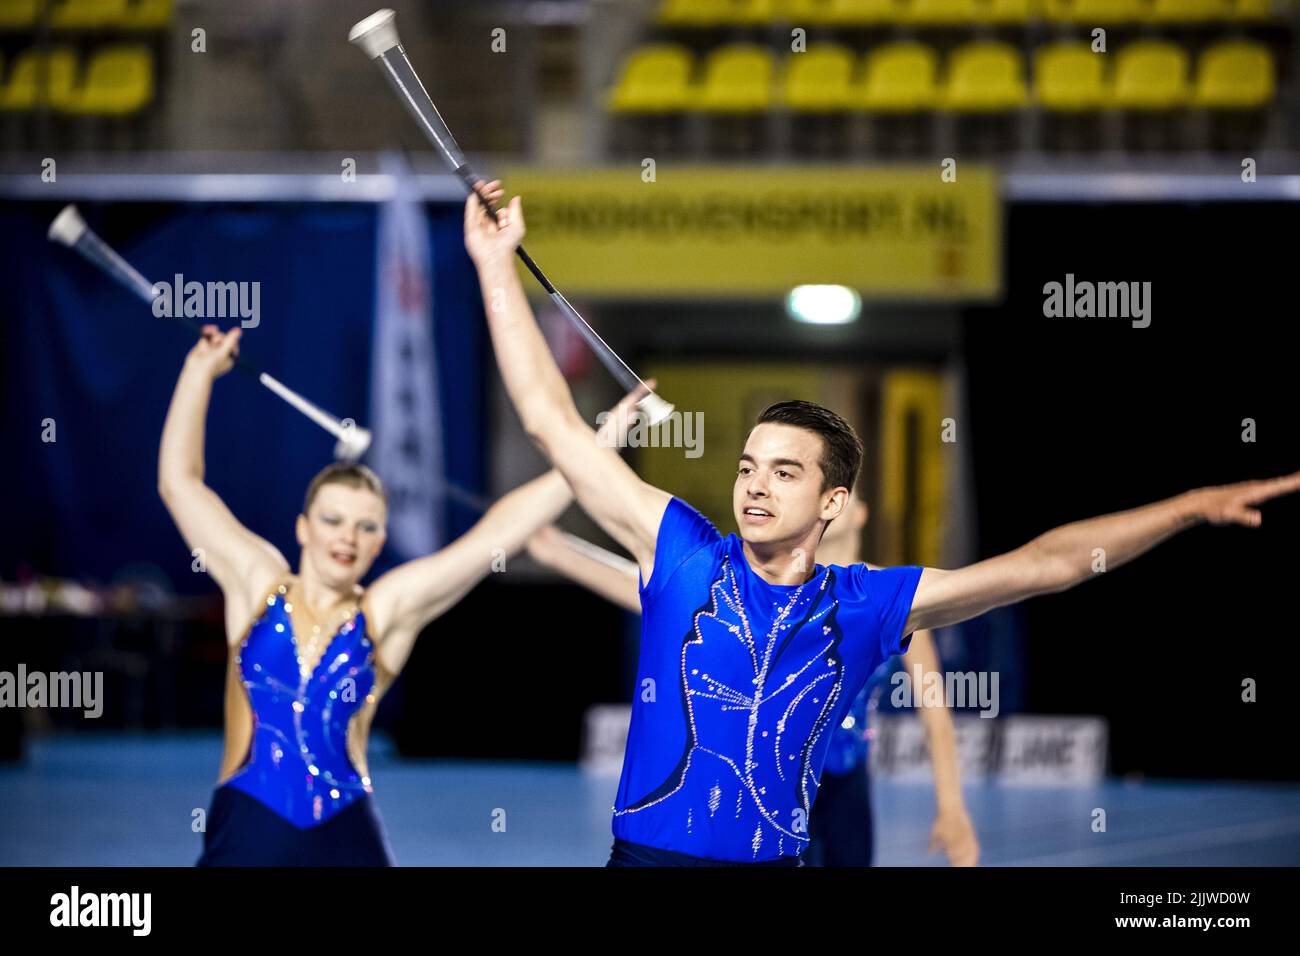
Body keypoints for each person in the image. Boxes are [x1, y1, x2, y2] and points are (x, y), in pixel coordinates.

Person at [465, 180, 1300, 866]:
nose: (754, 487)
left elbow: (1048, 563)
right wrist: (497, 267)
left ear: (834, 502)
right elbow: (548, 419)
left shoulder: (868, 604)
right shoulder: (681, 550)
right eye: (748, 466)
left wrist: (1189, 508)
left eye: (784, 472)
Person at [159, 322, 640, 866]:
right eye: (333, 520)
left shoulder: (383, 612)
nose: (347, 536)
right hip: (246, 830)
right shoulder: (255, 582)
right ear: (303, 527)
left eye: (366, 527)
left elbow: (496, 535)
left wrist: (597, 449)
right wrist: (197, 373)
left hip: (343, 836)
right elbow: (180, 483)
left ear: (380, 540)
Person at [527, 490, 979, 867]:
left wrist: (952, 807)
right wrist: (558, 553)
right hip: (765, 781)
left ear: (852, 511)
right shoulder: (768, 585)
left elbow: (935, 713)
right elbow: (647, 592)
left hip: (843, 784)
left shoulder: (895, 600)